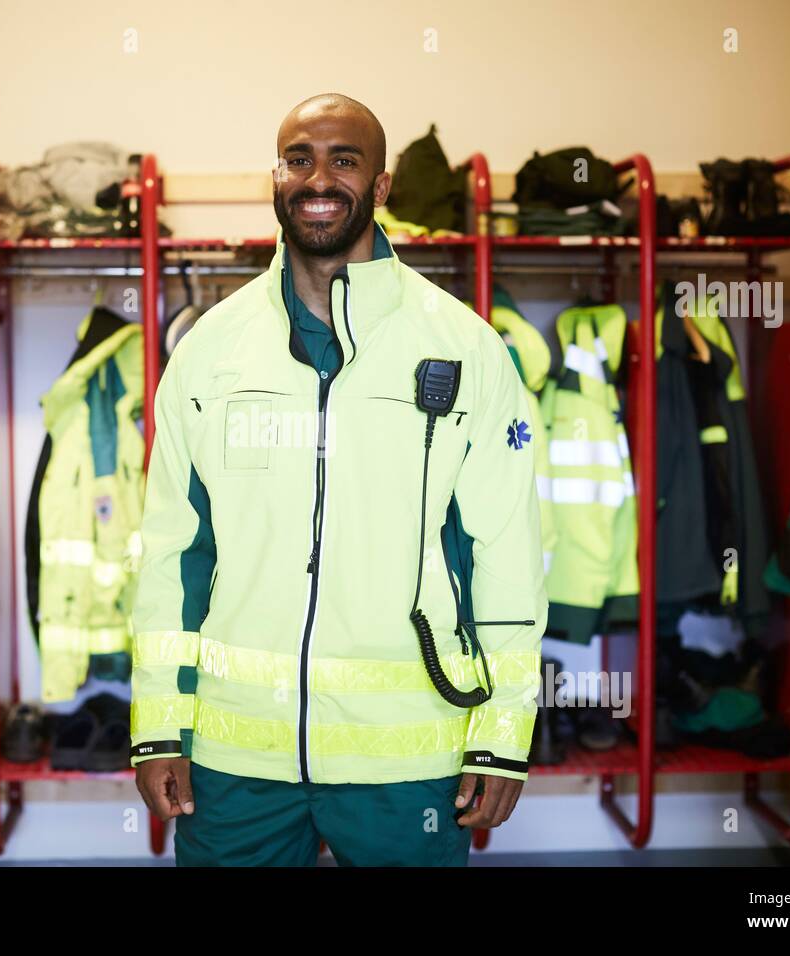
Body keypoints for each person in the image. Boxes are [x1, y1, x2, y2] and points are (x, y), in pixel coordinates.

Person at [130, 93, 546, 866]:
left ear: (381, 187)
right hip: (234, 756)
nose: (318, 178)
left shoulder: (465, 349)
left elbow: (508, 554)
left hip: (408, 760)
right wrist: (159, 725)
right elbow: (171, 553)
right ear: (277, 178)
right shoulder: (209, 352)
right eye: (299, 159)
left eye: (343, 160)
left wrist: (502, 734)